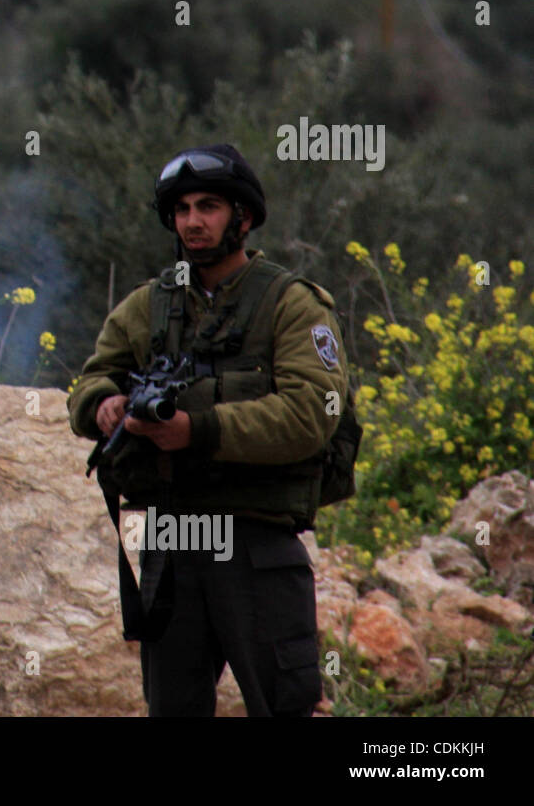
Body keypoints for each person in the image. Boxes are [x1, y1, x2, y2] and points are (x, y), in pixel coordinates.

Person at [67, 144, 348, 717]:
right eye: (183, 209)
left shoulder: (291, 305)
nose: (193, 221)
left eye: (210, 206)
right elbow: (90, 380)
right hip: (172, 540)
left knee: (286, 706)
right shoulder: (149, 305)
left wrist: (197, 430)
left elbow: (311, 413)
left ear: (242, 217)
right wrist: (105, 406)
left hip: (255, 541)